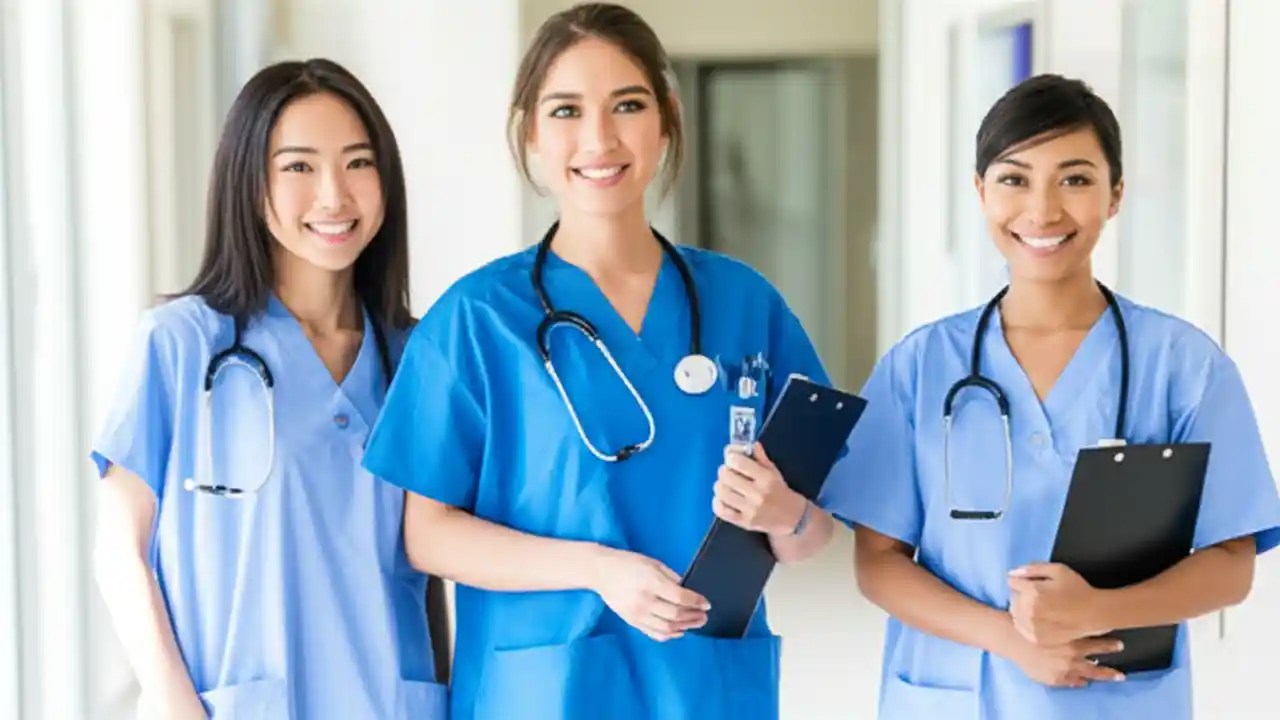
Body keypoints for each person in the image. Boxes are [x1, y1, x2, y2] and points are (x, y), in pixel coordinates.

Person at [362, 3, 839, 718]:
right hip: (542, 691)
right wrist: (594, 570)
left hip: (704, 686)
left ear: (666, 117)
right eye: (565, 111)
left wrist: (786, 514)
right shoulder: (478, 319)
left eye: (627, 104)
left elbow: (811, 539)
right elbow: (427, 536)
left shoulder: (745, 304)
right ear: (529, 129)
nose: (599, 138)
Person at [821, 73, 1280, 719]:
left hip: (1117, 701)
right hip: (958, 696)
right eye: (1014, 179)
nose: (1042, 210)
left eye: (1075, 178)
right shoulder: (921, 366)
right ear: (980, 192)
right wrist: (1010, 639)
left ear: (1115, 194)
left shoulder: (1183, 366)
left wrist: (1099, 610)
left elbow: (1233, 562)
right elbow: (878, 563)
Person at [90, 59, 447, 719]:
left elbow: (444, 557)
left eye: (359, 162)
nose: (334, 195)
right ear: (250, 183)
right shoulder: (181, 344)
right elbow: (119, 553)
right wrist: (174, 702)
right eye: (299, 167)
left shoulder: (417, 357)